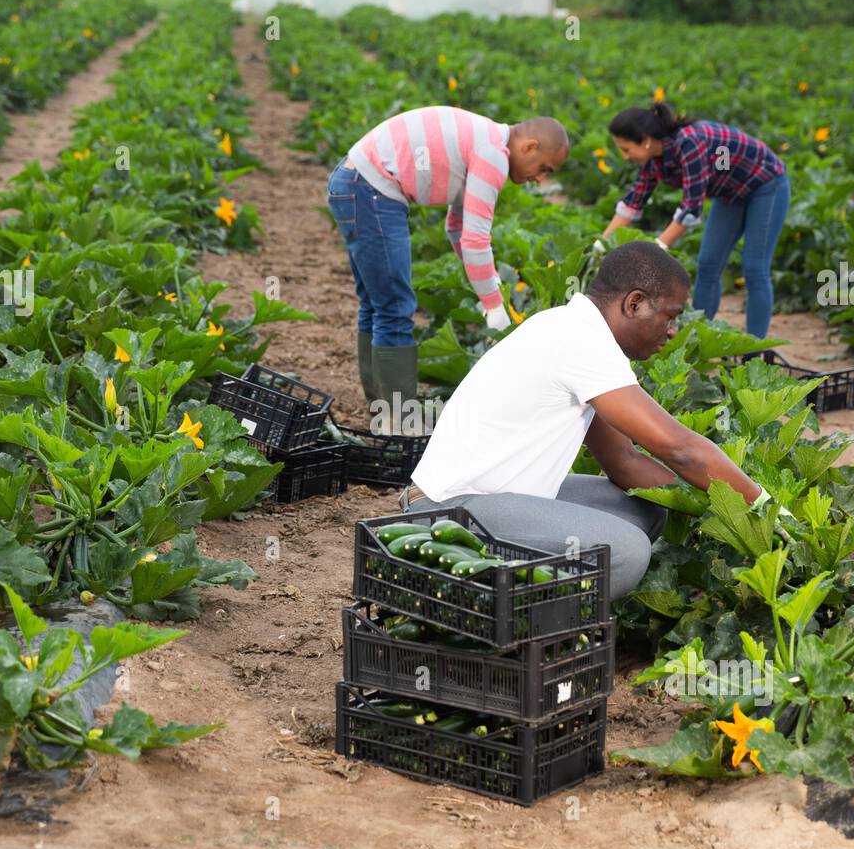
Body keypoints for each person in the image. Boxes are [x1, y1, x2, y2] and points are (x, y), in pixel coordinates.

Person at [401, 241, 767, 602]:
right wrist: (765, 510)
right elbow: (681, 449)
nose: (672, 331)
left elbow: (624, 463)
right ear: (634, 303)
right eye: (669, 317)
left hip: (494, 499)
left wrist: (712, 508)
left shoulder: (572, 327)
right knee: (626, 552)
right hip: (448, 514)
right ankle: (513, 620)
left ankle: (544, 591)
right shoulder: (582, 341)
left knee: (648, 502)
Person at [328, 107, 569, 432]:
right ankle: (398, 424)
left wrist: (489, 279)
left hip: (353, 181)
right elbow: (474, 239)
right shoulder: (493, 155)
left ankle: (383, 412)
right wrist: (493, 305)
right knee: (395, 307)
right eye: (543, 168)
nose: (539, 179)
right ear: (530, 147)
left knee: (378, 303)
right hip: (371, 190)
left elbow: (456, 228)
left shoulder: (485, 140)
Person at [601, 102, 789, 340]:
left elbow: (690, 209)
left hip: (766, 184)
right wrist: (601, 245)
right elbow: (632, 204)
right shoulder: (652, 159)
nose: (624, 156)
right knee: (708, 265)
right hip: (730, 192)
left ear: (646, 140)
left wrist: (656, 250)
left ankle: (754, 350)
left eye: (626, 149)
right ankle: (699, 341)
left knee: (754, 269)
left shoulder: (690, 143)